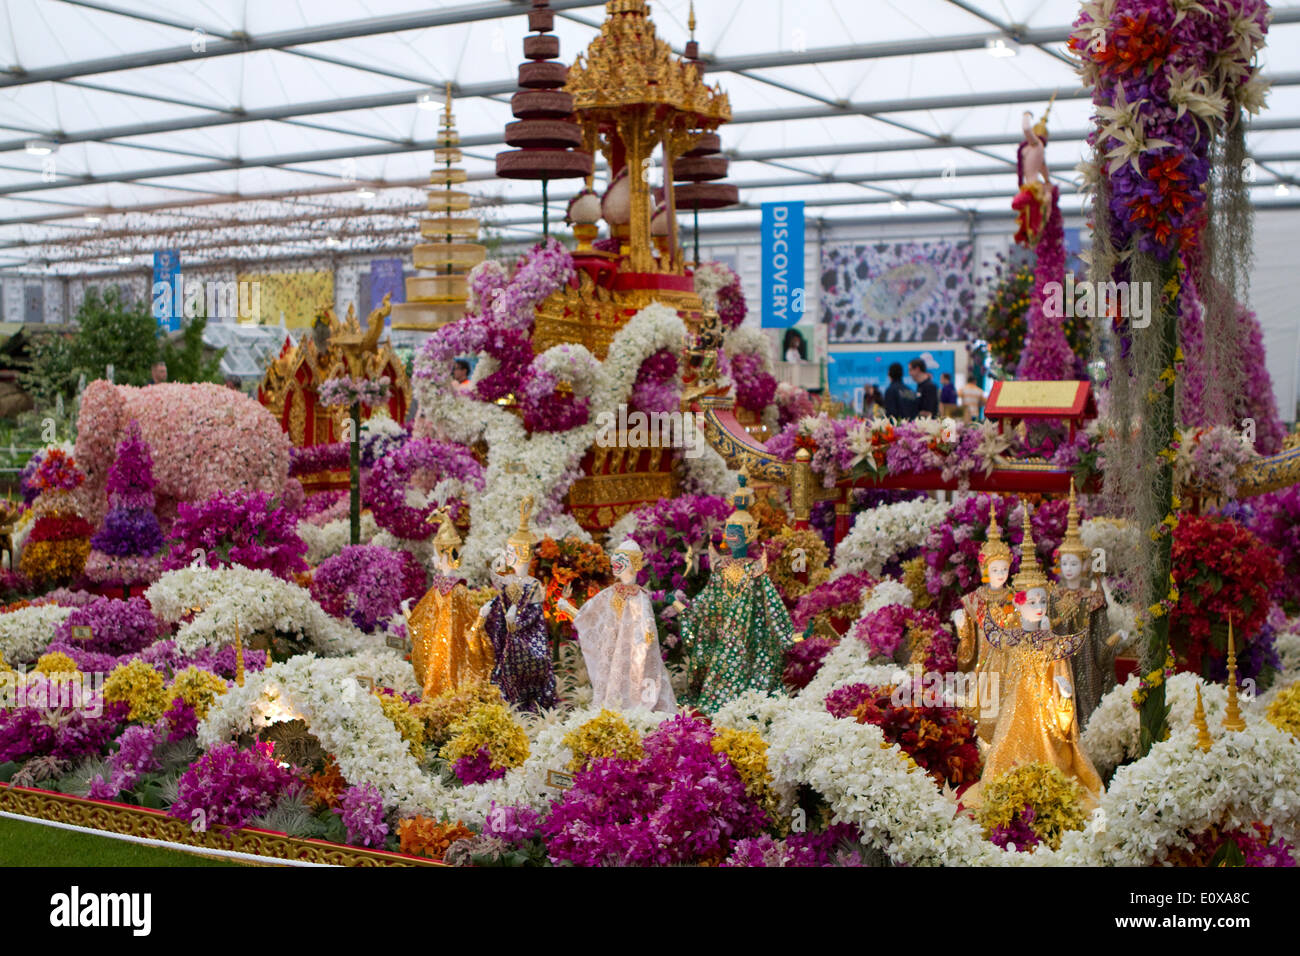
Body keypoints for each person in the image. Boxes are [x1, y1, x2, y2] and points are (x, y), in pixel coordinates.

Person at [961, 505, 1104, 812]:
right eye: (1032, 600)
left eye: (1042, 599)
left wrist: (1065, 691)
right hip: (1013, 713)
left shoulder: (1052, 643)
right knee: (1005, 757)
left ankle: (1051, 782)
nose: (1038, 605)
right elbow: (993, 673)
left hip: (1047, 715)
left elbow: (1062, 677)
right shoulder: (1008, 640)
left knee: (1055, 757)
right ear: (1018, 602)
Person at [673, 469, 795, 714]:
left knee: (751, 673)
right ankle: (722, 711)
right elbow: (706, 601)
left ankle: (745, 710)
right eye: (729, 532)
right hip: (718, 634)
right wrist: (682, 608)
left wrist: (790, 634)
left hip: (749, 639)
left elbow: (771, 605)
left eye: (737, 533)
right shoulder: (721, 567)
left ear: (750, 536)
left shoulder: (754, 569)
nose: (732, 537)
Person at [557, 540, 676, 713]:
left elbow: (647, 628)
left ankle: (640, 713)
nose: (615, 563)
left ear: (633, 563)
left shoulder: (640, 596)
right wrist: (567, 607)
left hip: (637, 656)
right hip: (614, 654)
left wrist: (646, 645)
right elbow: (588, 617)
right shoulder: (610, 594)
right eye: (615, 559)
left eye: (621, 559)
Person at [478, 496, 557, 712]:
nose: (507, 556)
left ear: (522, 554)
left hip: (527, 639)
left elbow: (535, 614)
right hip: (507, 635)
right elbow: (501, 601)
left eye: (511, 552)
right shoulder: (508, 581)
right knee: (504, 666)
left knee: (531, 665)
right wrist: (489, 608)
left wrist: (517, 622)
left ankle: (532, 702)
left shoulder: (533, 585)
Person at [407, 510, 494, 699]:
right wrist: (482, 617)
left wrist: (481, 618)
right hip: (445, 661)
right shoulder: (444, 589)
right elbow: (471, 629)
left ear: (445, 555)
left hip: (447, 661)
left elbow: (468, 628)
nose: (432, 559)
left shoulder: (455, 591)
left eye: (435, 554)